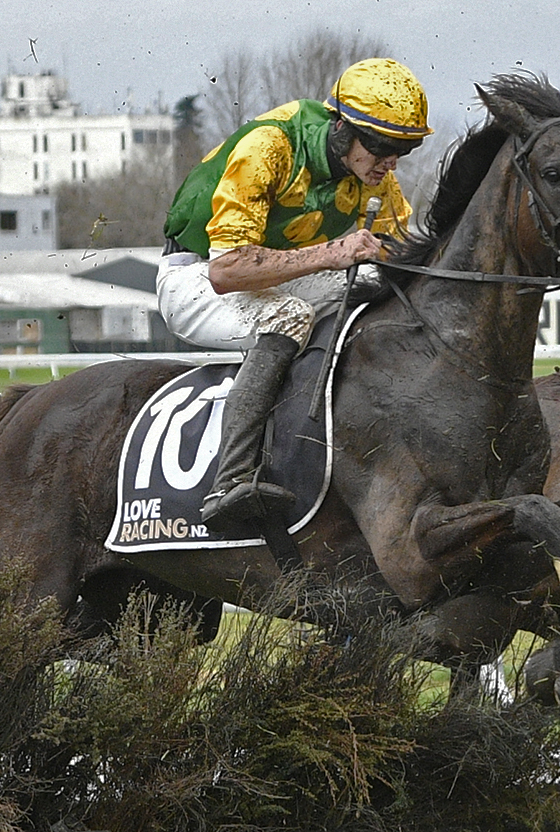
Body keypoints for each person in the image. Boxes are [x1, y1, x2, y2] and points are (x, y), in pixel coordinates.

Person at [157, 58, 431, 529]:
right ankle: (231, 480)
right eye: (383, 146)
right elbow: (228, 270)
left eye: (403, 149)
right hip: (198, 276)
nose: (391, 162)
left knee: (376, 290)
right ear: (343, 128)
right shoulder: (269, 147)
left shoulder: (376, 176)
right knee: (290, 316)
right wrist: (332, 252)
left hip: (274, 277)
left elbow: (400, 257)